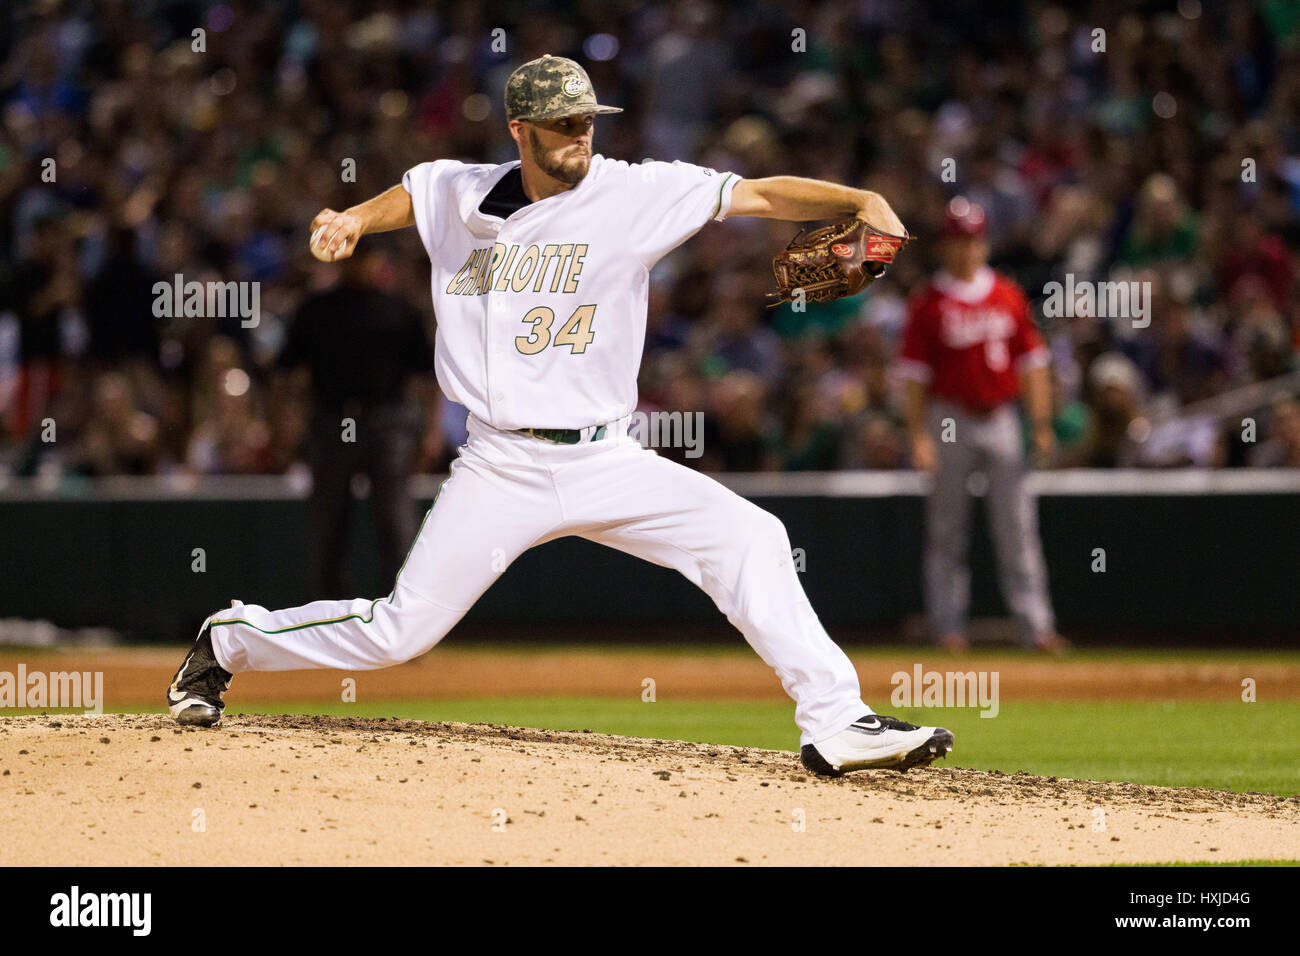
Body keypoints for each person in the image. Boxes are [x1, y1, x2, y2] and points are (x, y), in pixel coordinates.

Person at [166, 55, 953, 778]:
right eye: (563, 122)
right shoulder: (458, 189)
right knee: (399, 634)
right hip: (500, 465)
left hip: (609, 459)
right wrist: (350, 219)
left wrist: (858, 200)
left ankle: (837, 722)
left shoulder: (634, 192)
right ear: (520, 130)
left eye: (587, 119)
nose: (581, 133)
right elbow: (411, 190)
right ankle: (227, 640)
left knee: (754, 536)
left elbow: (756, 193)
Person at [897, 198, 1067, 654]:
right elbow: (914, 377)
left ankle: (1037, 627)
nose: (965, 249)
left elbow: (1033, 363)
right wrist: (917, 436)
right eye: (957, 239)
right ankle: (948, 628)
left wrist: (1043, 423)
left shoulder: (1007, 294)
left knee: (1017, 527)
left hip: (1001, 415)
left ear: (984, 242)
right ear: (945, 246)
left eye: (972, 239)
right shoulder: (929, 301)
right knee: (948, 528)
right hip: (949, 416)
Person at [279, 250, 434, 596]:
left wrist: (431, 431)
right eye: (354, 258)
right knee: (328, 525)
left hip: (388, 423)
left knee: (396, 522)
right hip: (333, 421)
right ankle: (327, 616)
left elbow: (427, 377)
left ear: (378, 261)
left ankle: (400, 619)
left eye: (366, 257)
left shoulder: (399, 309)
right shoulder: (317, 309)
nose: (360, 266)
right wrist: (284, 422)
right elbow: (285, 372)